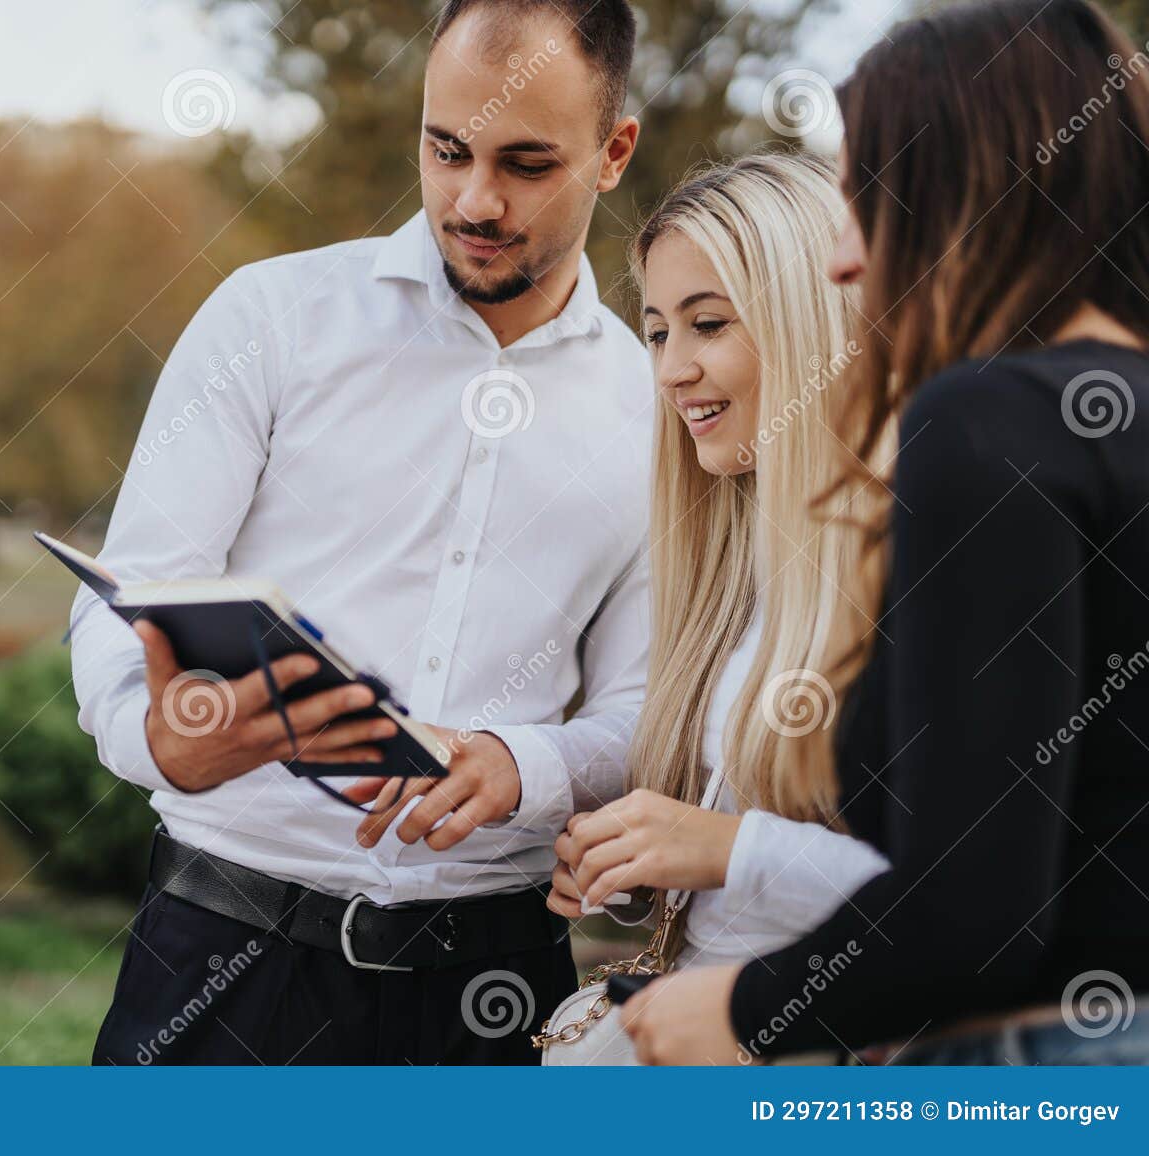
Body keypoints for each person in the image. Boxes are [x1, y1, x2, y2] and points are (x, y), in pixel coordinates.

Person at [74, 0, 652, 1064]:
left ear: (613, 152)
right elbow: (134, 590)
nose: (475, 199)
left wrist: (521, 765)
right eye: (447, 150)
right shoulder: (270, 319)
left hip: (494, 993)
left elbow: (643, 704)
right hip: (221, 967)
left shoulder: (655, 405)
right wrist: (161, 736)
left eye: (526, 164)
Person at [620, 0, 1149, 1065]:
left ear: (957, 188)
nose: (846, 260)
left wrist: (733, 1011)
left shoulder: (982, 421)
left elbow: (972, 911)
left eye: (868, 200)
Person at [537, 154, 889, 1063]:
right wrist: (635, 864)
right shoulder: (735, 567)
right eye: (657, 333)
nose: (671, 370)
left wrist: (726, 849)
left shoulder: (917, 565)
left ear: (811, 323)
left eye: (707, 325)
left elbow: (975, 905)